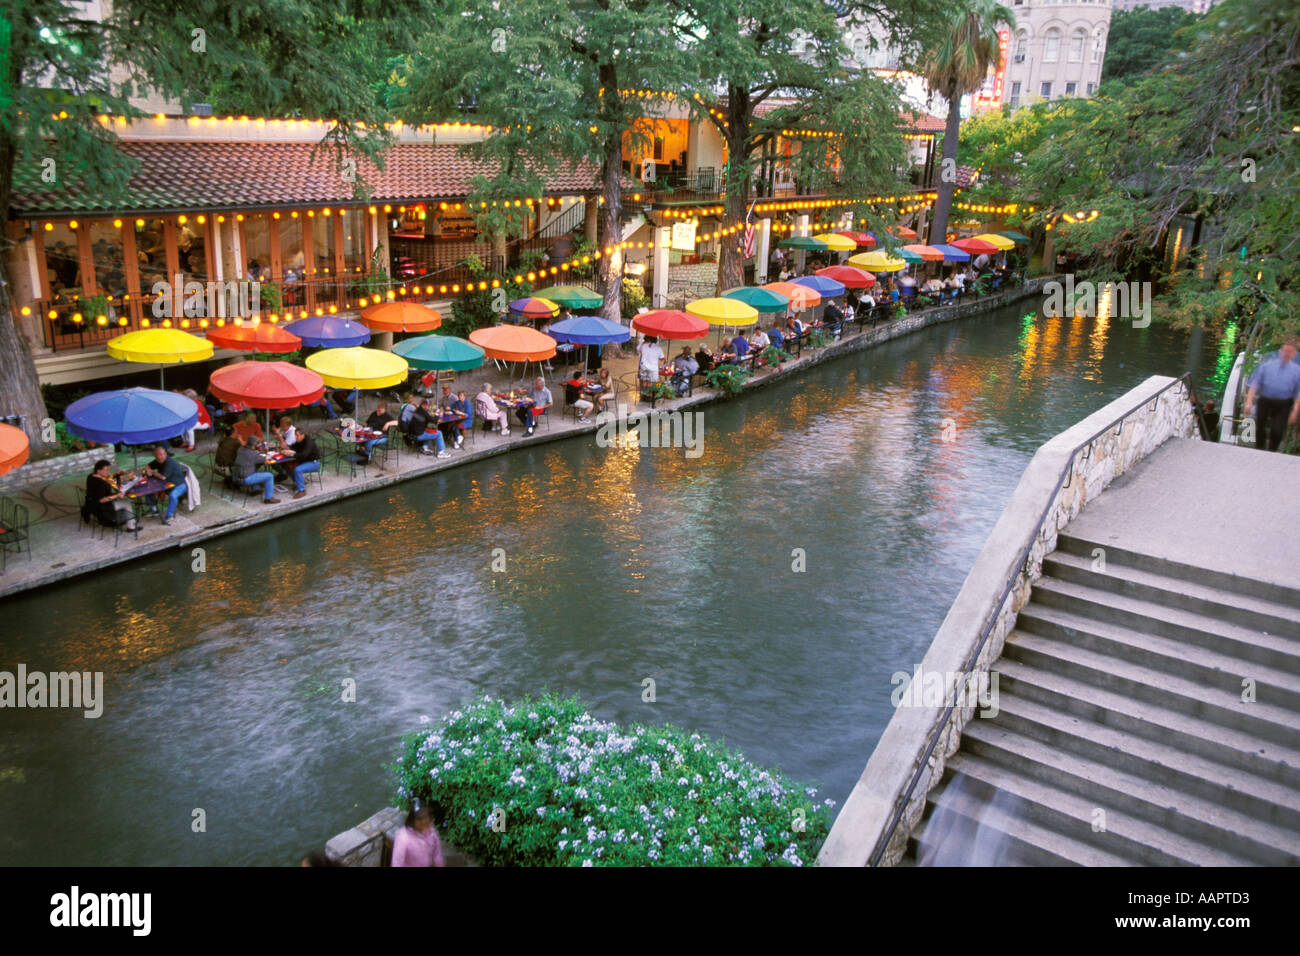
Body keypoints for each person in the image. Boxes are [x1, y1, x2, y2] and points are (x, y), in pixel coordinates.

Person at [1244, 338, 1300, 452]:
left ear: (1294, 354)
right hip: (1265, 400)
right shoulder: (1267, 366)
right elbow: (1254, 385)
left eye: (1290, 352)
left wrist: (1295, 410)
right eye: (1285, 351)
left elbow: (1298, 393)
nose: (1286, 354)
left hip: (1283, 403)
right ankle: (1259, 448)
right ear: (1281, 351)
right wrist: (1249, 402)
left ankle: (1272, 450)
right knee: (1260, 425)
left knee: (1277, 429)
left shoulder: (1297, 371)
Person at [85, 460, 138, 532]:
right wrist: (117, 496)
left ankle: (126, 519)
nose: (108, 471)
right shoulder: (101, 484)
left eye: (108, 469)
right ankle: (131, 527)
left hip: (92, 504)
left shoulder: (91, 476)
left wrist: (114, 493)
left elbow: (99, 492)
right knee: (126, 503)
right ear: (98, 470)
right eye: (106, 470)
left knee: (119, 500)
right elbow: (102, 500)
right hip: (102, 509)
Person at [391, 800, 446, 868]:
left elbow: (437, 855)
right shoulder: (403, 837)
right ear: (412, 820)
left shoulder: (431, 831)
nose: (424, 821)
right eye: (419, 819)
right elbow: (397, 863)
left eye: (426, 817)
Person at [231, 432, 280, 504]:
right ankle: (268, 498)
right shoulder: (252, 454)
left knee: (255, 468)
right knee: (270, 476)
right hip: (245, 479)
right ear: (254, 445)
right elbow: (265, 460)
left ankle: (255, 489)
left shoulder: (240, 449)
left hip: (235, 476)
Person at [145, 445, 187, 525]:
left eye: (161, 454)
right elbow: (147, 466)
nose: (159, 457)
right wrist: (148, 470)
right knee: (148, 487)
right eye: (157, 455)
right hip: (166, 484)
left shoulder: (169, 462)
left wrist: (152, 472)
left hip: (179, 484)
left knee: (173, 495)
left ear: (165, 454)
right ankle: (154, 509)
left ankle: (169, 516)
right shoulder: (158, 461)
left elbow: (163, 477)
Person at [282, 427, 322, 499]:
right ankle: (298, 483)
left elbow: (304, 455)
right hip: (304, 461)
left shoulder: (308, 442)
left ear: (302, 435)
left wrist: (291, 454)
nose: (296, 437)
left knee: (298, 469)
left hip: (313, 462)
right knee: (286, 465)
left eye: (297, 435)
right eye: (295, 435)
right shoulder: (300, 440)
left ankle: (302, 490)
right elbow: (293, 447)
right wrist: (286, 449)